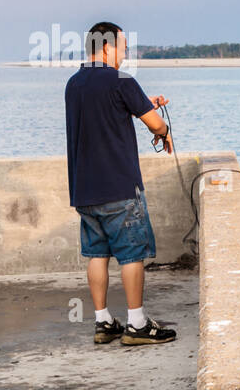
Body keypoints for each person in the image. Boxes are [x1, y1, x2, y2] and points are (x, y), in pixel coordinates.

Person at [65, 22, 176, 346]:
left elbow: (107, 113)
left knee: (97, 255)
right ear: (106, 46)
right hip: (119, 187)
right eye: (123, 48)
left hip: (84, 189)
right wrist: (163, 132)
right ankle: (137, 324)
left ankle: (103, 323)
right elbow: (153, 123)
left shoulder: (74, 84)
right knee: (131, 255)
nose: (126, 54)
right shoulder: (121, 80)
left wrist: (143, 101)